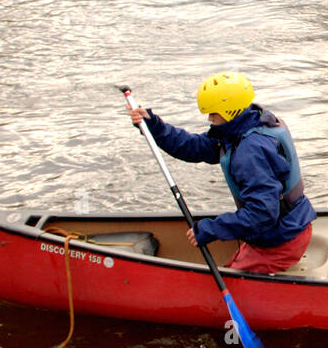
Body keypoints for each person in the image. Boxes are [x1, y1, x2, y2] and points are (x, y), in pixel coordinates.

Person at [126, 72, 316, 274]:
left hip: (281, 240)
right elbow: (194, 147)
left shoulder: (250, 151)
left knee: (231, 278)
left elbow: (262, 214)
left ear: (230, 111)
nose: (209, 119)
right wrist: (154, 126)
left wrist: (210, 229)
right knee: (231, 268)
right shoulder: (246, 125)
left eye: (213, 114)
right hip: (281, 230)